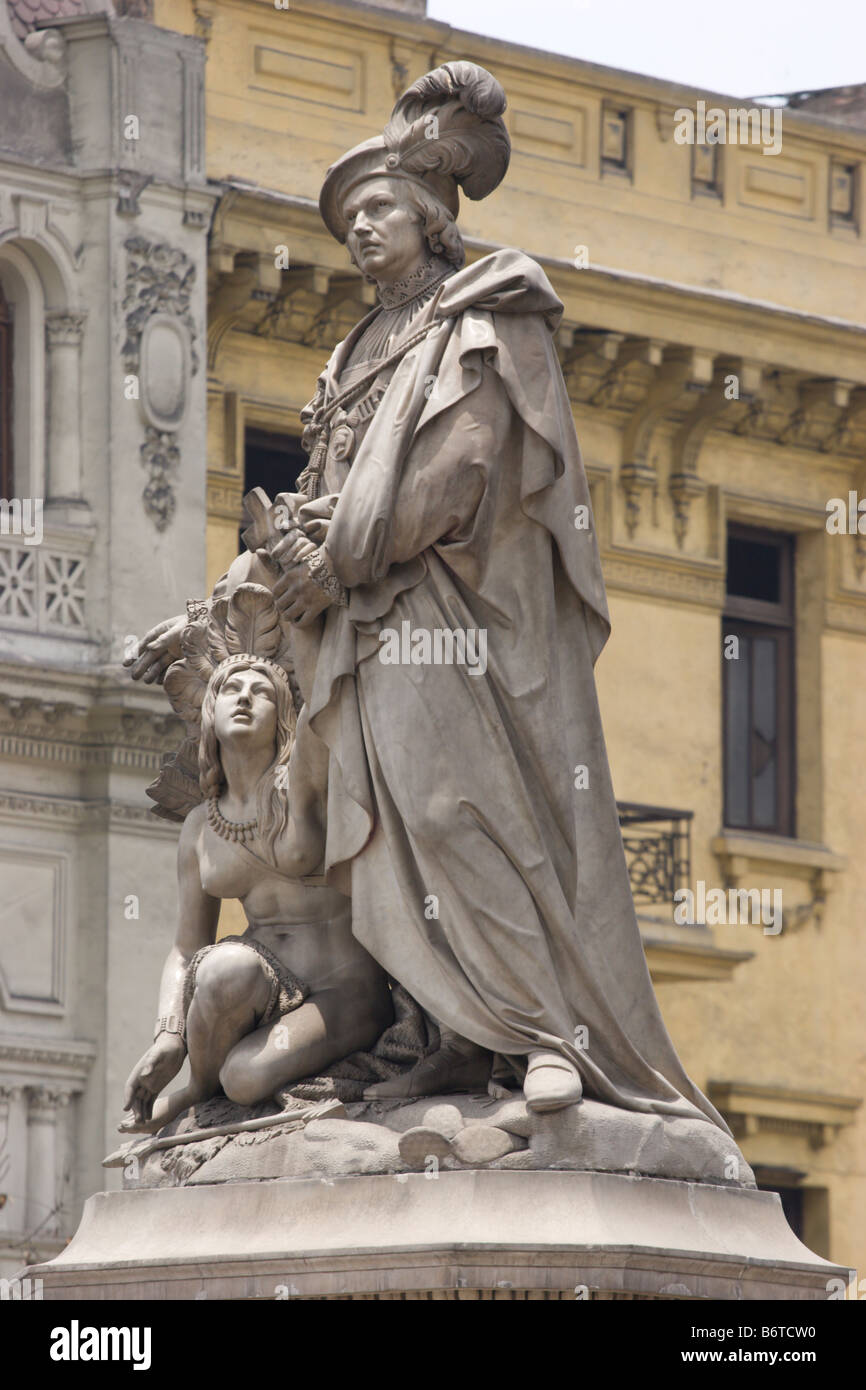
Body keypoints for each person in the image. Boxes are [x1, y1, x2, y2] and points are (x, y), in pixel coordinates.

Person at [128, 62, 731, 1133]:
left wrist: (345, 549)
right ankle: (436, 1036)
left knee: (457, 813)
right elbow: (323, 484)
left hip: (452, 623)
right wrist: (305, 548)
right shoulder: (353, 348)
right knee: (377, 837)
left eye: (377, 210)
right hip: (356, 629)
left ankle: (542, 1036)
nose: (359, 232)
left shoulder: (486, 319)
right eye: (347, 218)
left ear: (429, 218)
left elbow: (461, 468)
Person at [121, 654, 391, 1134]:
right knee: (222, 966)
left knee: (244, 1078)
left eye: (262, 691)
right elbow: (187, 947)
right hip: (264, 980)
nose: (245, 696)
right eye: (230, 689)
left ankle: (214, 1091)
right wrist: (169, 1036)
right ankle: (200, 1088)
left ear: (283, 714)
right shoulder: (200, 826)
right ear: (210, 713)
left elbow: (329, 684)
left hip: (344, 988)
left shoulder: (307, 777)